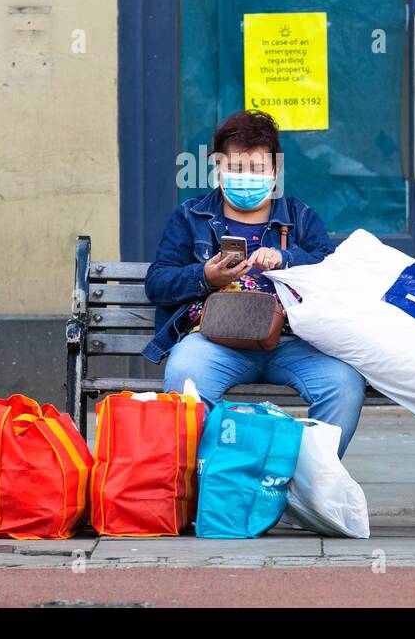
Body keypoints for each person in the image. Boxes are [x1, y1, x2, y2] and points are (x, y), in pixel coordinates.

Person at [142, 109, 366, 457]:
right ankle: (212, 481)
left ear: (275, 171)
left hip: (293, 342)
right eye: (236, 168)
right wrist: (204, 277)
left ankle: (307, 484)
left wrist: (286, 259)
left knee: (344, 384)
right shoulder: (190, 216)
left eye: (258, 169)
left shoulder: (299, 216)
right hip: (215, 340)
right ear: (218, 168)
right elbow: (157, 282)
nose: (246, 177)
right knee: (185, 375)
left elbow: (333, 269)